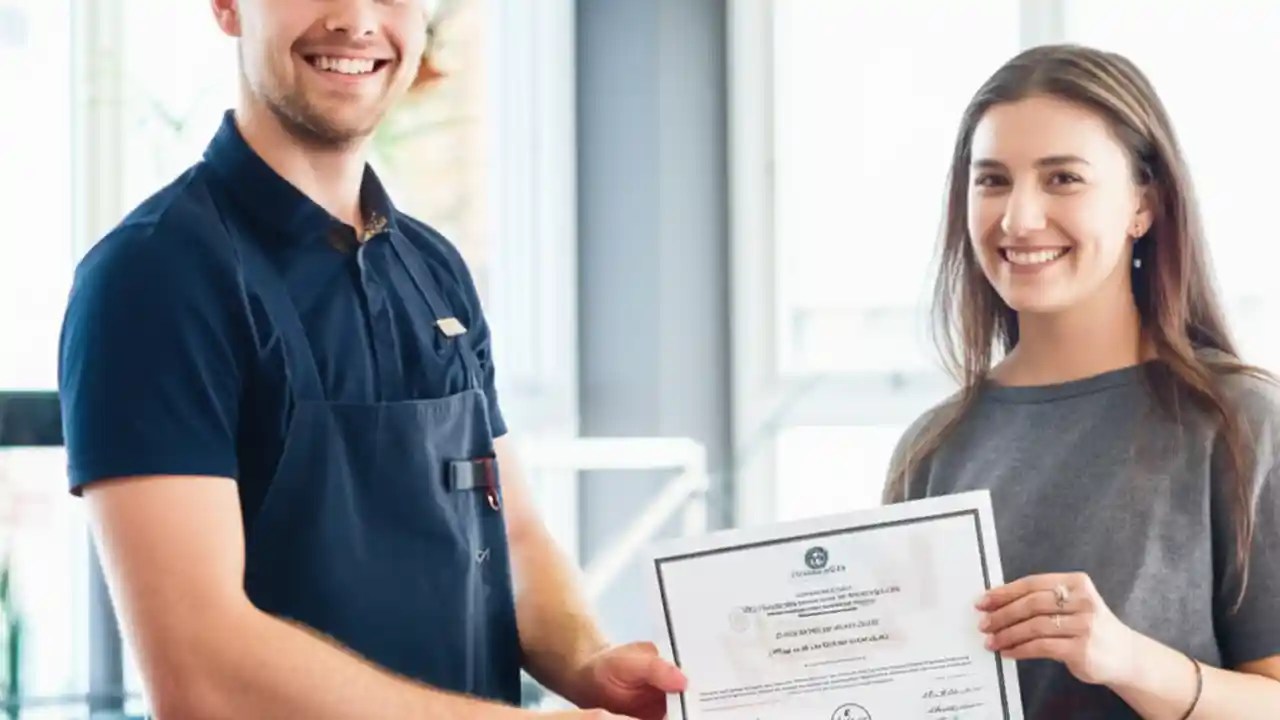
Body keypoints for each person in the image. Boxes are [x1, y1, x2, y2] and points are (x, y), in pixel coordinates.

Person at [57, 2, 685, 718]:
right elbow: (202, 670)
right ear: (228, 8)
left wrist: (587, 661)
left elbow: (510, 534)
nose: (356, 20)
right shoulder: (153, 276)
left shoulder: (432, 267)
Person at [884, 44, 1280, 718]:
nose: (1018, 219)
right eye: (992, 180)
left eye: (1062, 178)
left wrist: (1128, 660)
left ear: (1143, 204)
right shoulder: (932, 448)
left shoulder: (1239, 420)